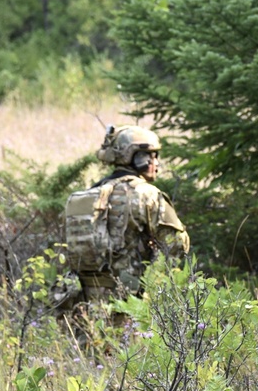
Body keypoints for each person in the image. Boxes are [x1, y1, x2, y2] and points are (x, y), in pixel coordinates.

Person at [64, 124, 190, 306]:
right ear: (137, 158)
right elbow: (178, 245)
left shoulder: (91, 194)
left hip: (86, 301)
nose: (155, 162)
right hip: (129, 301)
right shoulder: (146, 194)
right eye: (151, 156)